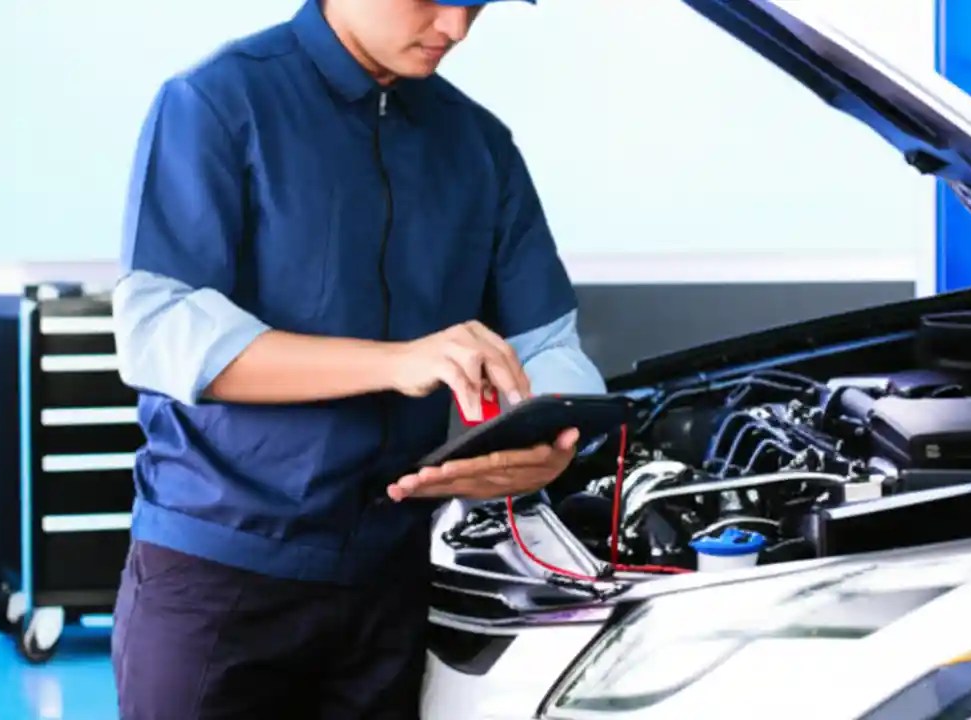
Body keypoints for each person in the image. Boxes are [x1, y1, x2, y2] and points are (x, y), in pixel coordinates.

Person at [110, 0, 606, 716]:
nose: (456, 28)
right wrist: (395, 362)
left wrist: (547, 440)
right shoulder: (215, 102)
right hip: (220, 577)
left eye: (479, 5)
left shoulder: (480, 144)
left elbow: (551, 348)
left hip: (388, 584)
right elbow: (159, 330)